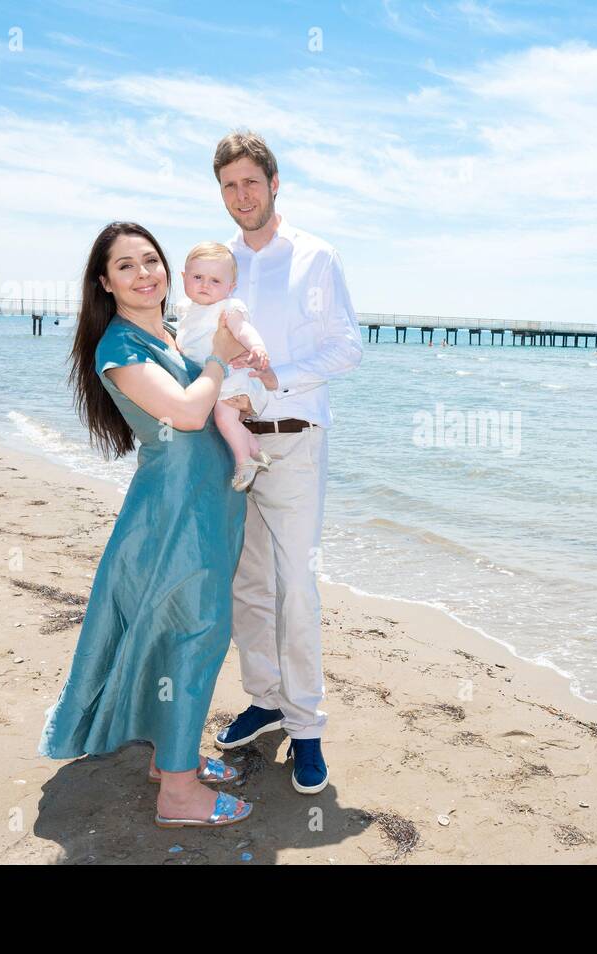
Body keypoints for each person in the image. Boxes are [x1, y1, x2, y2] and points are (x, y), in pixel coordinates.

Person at [38, 221, 253, 829]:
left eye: (151, 260)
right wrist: (220, 358)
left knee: (172, 633)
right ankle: (179, 797)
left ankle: (170, 760)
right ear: (104, 282)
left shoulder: (172, 331)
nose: (143, 274)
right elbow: (187, 413)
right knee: (197, 632)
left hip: (207, 505)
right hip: (176, 516)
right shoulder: (121, 348)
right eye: (125, 266)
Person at [209, 129, 363, 795]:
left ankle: (306, 729)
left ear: (275, 184)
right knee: (247, 584)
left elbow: (346, 348)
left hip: (295, 438)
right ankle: (266, 698)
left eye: (252, 182)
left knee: (295, 588)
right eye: (230, 186)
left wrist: (274, 378)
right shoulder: (222, 265)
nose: (243, 196)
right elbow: (206, 342)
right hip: (232, 441)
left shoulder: (316, 257)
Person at [173, 241, 273, 491]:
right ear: (184, 277)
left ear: (231, 287)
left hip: (231, 379)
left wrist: (257, 347)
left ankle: (244, 462)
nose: (205, 285)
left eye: (215, 281)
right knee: (228, 421)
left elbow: (243, 330)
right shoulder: (186, 310)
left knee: (224, 419)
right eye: (197, 277)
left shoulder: (228, 308)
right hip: (212, 378)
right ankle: (256, 452)